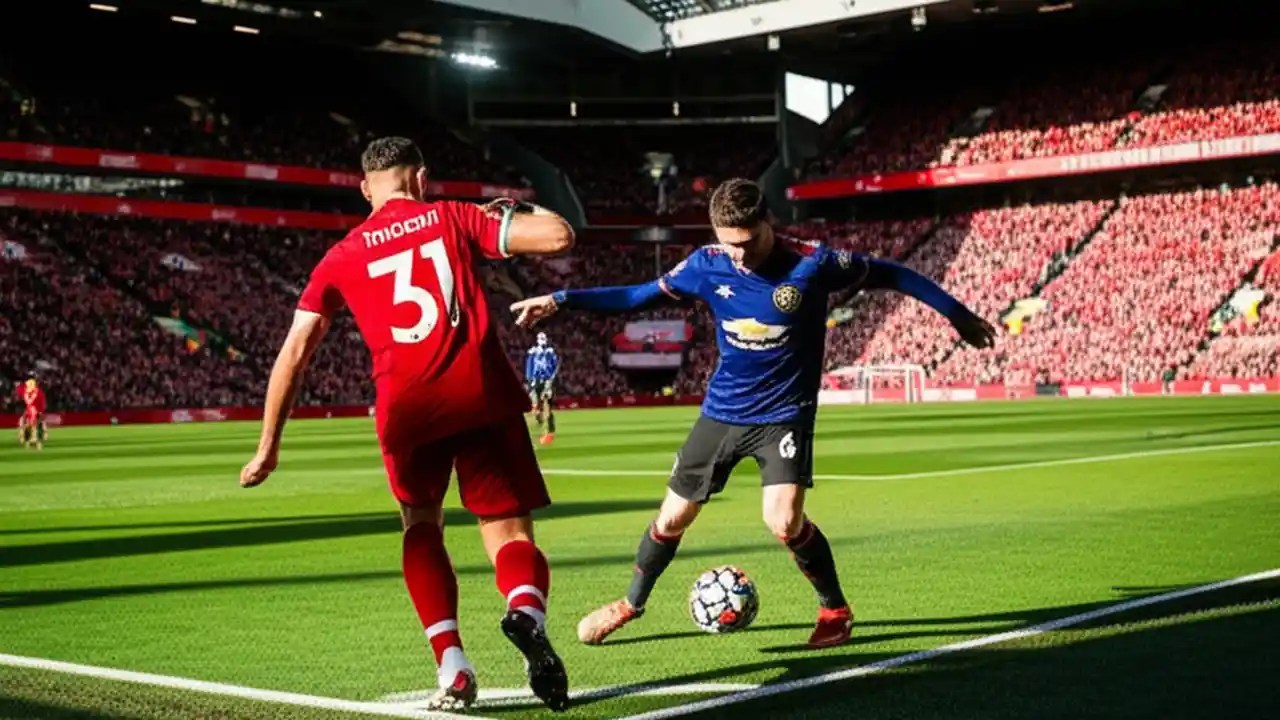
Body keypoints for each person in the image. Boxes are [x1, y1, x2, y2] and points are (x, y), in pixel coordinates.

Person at [510, 178, 995, 649]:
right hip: (722, 411)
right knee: (673, 516)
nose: (738, 254)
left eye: (746, 242)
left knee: (783, 521)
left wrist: (957, 314)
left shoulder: (814, 263)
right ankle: (631, 604)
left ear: (768, 221)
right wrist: (562, 299)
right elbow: (637, 295)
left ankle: (835, 611)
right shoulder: (708, 264)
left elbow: (895, 272)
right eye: (728, 244)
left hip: (784, 412)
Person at [239, 137, 575, 712]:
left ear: (365, 189)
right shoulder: (453, 217)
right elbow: (560, 235)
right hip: (480, 395)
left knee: (421, 527)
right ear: (420, 179)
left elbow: (294, 351)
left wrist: (268, 446)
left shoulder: (341, 256)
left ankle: (453, 666)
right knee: (509, 533)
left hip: (406, 409)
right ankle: (524, 611)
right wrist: (508, 209)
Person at [524, 332, 560, 445]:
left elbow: (555, 367)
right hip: (536, 381)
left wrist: (551, 380)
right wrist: (530, 381)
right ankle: (540, 421)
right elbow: (529, 367)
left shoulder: (550, 352)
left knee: (547, 406)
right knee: (536, 406)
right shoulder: (533, 352)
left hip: (547, 381)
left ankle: (550, 432)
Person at [17, 377, 47, 450]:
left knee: (33, 425)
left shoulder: (38, 393)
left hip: (35, 411)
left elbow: (41, 405)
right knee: (27, 423)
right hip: (31, 410)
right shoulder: (27, 390)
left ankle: (34, 439)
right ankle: (30, 439)